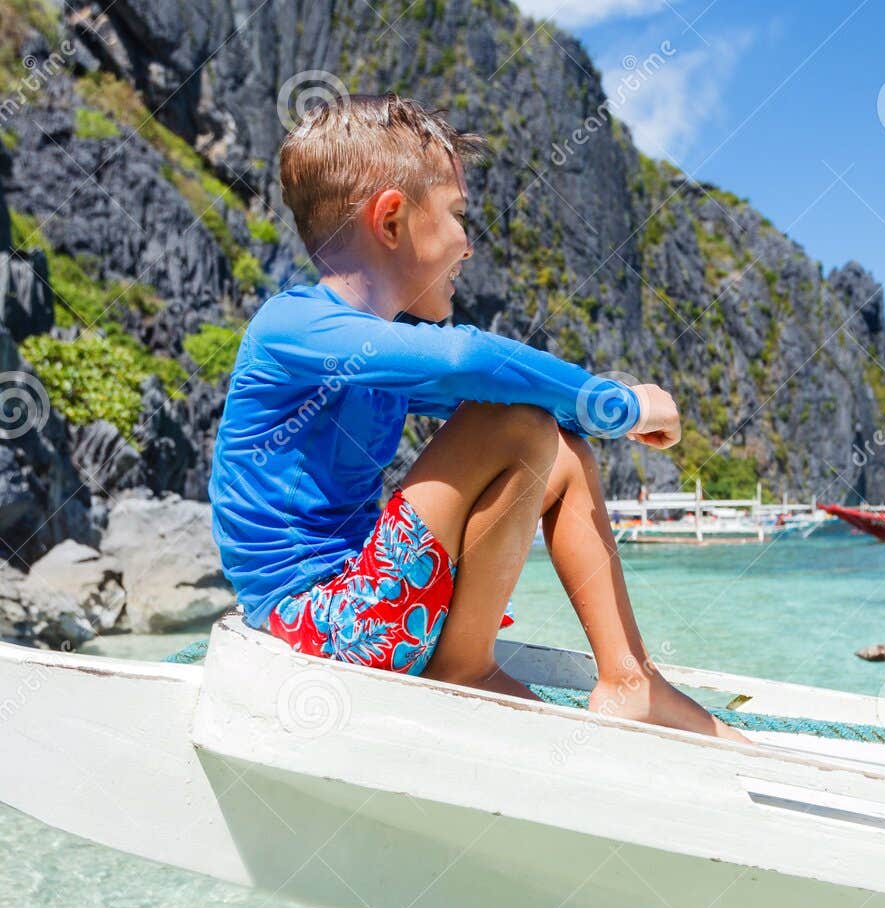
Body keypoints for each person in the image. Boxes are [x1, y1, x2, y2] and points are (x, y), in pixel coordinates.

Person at [208, 93, 746, 743]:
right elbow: (465, 359)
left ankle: (630, 679)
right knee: (514, 423)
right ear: (391, 219)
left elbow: (489, 384)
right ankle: (464, 669)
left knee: (560, 446)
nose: (468, 244)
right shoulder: (289, 327)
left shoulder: (369, 351)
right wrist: (620, 404)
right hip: (313, 622)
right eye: (459, 216)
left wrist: (576, 415)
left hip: (365, 609)